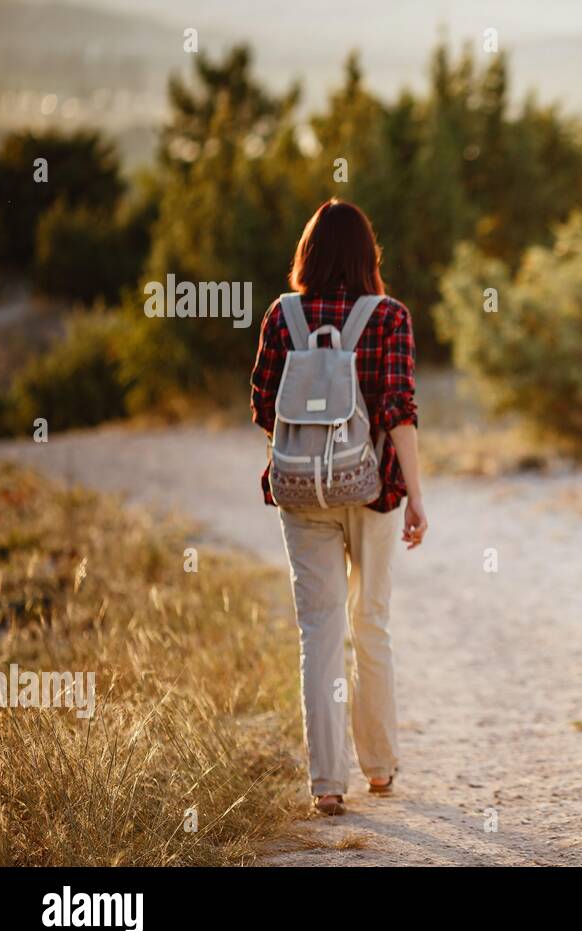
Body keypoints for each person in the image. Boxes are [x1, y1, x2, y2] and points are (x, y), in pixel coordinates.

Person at [250, 199, 427, 816]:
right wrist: (416, 498)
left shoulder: (282, 316)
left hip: (300, 494)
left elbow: (263, 406)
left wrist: (307, 455)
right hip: (372, 486)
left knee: (318, 632)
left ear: (308, 253)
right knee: (370, 622)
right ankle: (379, 769)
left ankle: (327, 784)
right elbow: (399, 411)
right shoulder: (389, 316)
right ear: (367, 257)